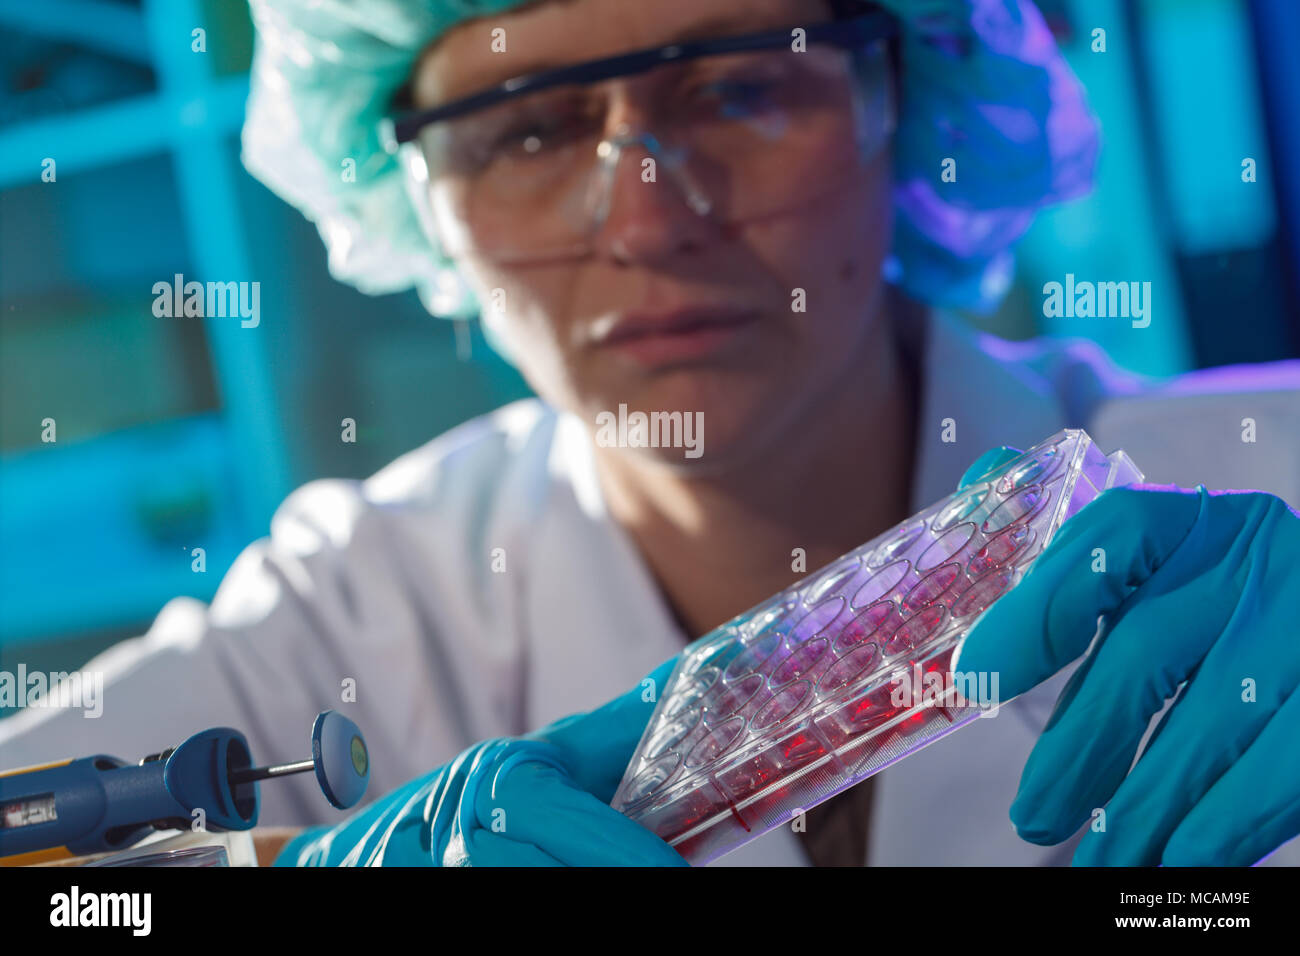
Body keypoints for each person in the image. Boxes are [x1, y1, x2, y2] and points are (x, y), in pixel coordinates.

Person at [3, 0, 1298, 866]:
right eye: (525, 128)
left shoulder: (1271, 495)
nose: (646, 222)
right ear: (409, 192)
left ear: (910, 87)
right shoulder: (341, 624)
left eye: (741, 91)